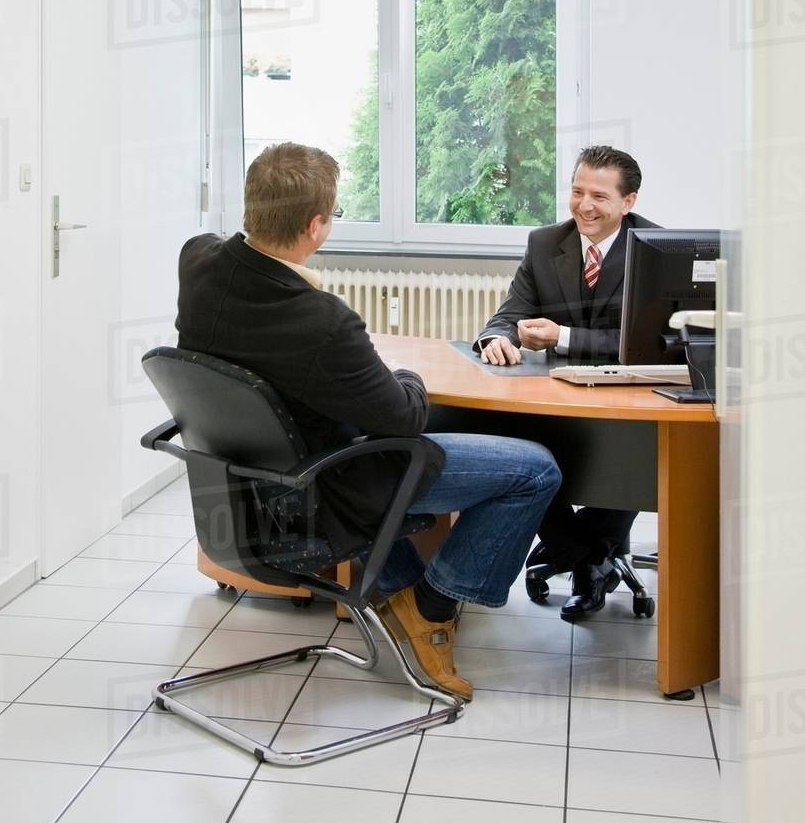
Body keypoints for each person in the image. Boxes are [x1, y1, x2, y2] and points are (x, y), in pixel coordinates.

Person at [176, 142, 561, 702]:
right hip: (321, 491)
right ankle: (432, 606)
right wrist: (406, 373)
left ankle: (395, 587)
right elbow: (404, 417)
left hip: (245, 488)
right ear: (315, 227)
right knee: (536, 471)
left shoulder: (198, 262)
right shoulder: (321, 322)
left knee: (371, 441)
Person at [473, 145, 657, 621]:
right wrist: (497, 337)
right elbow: (510, 313)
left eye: (599, 195)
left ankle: (575, 556)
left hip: (630, 406)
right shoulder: (544, 243)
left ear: (628, 202)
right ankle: (588, 559)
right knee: (519, 454)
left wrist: (566, 336)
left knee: (633, 461)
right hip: (557, 399)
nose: (584, 206)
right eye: (577, 192)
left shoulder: (655, 247)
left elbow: (651, 342)